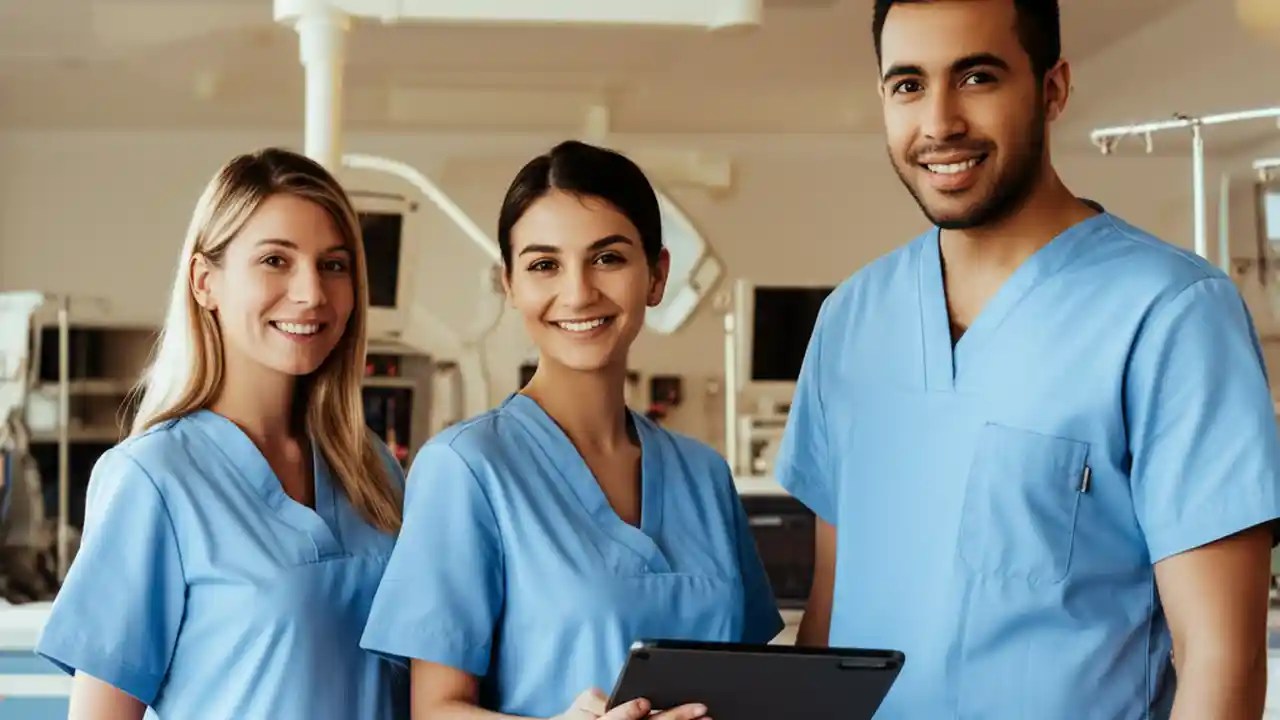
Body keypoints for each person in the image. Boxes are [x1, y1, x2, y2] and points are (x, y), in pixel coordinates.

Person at [779, 1, 1280, 718]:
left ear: (1052, 89)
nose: (940, 122)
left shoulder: (1171, 314)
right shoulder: (851, 321)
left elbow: (1220, 667)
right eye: (908, 85)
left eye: (977, 77)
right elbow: (829, 623)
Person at [360, 140, 783, 719]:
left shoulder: (703, 475)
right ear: (509, 283)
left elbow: (747, 681)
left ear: (656, 276)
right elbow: (435, 711)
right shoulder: (466, 468)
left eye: (608, 258)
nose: (579, 291)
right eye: (544, 265)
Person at [35, 148, 408, 719]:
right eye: (276, 261)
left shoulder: (371, 468)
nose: (311, 292)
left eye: (333, 265)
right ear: (205, 282)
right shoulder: (154, 479)